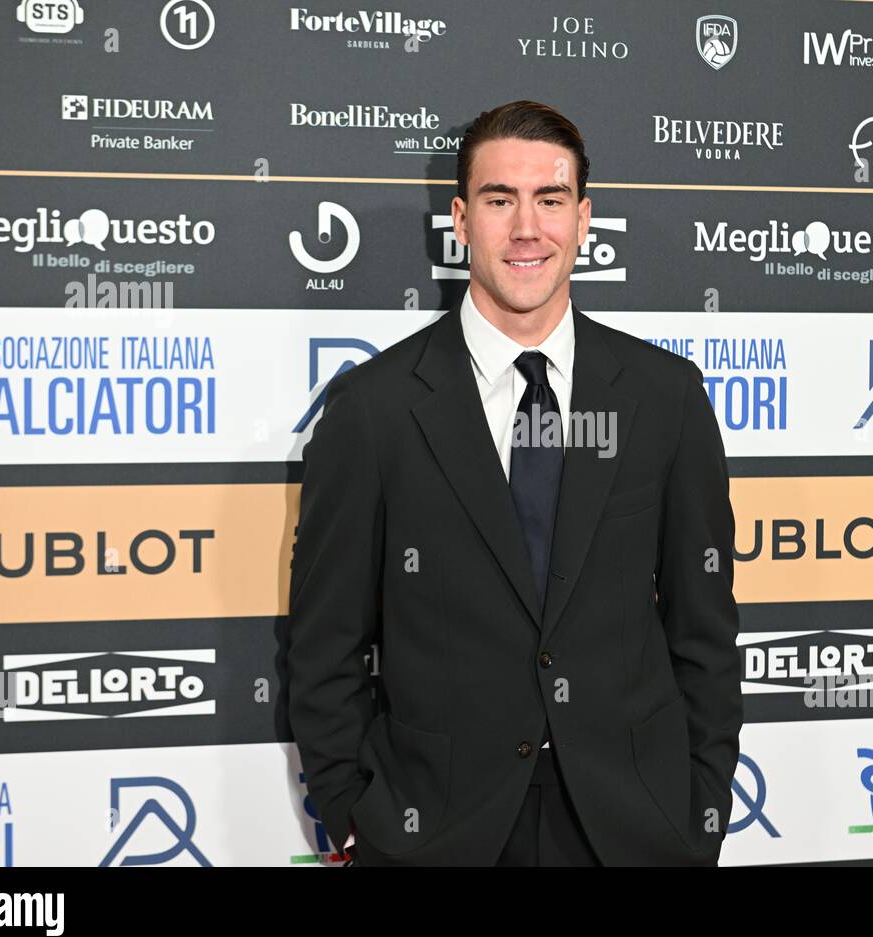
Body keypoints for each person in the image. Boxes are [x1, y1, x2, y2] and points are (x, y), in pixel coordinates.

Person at [286, 100, 741, 866]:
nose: (526, 228)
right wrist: (357, 816)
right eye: (500, 200)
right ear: (461, 220)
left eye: (550, 200)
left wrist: (698, 805)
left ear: (583, 218)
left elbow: (705, 632)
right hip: (437, 833)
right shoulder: (375, 409)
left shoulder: (666, 397)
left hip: (633, 830)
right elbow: (325, 644)